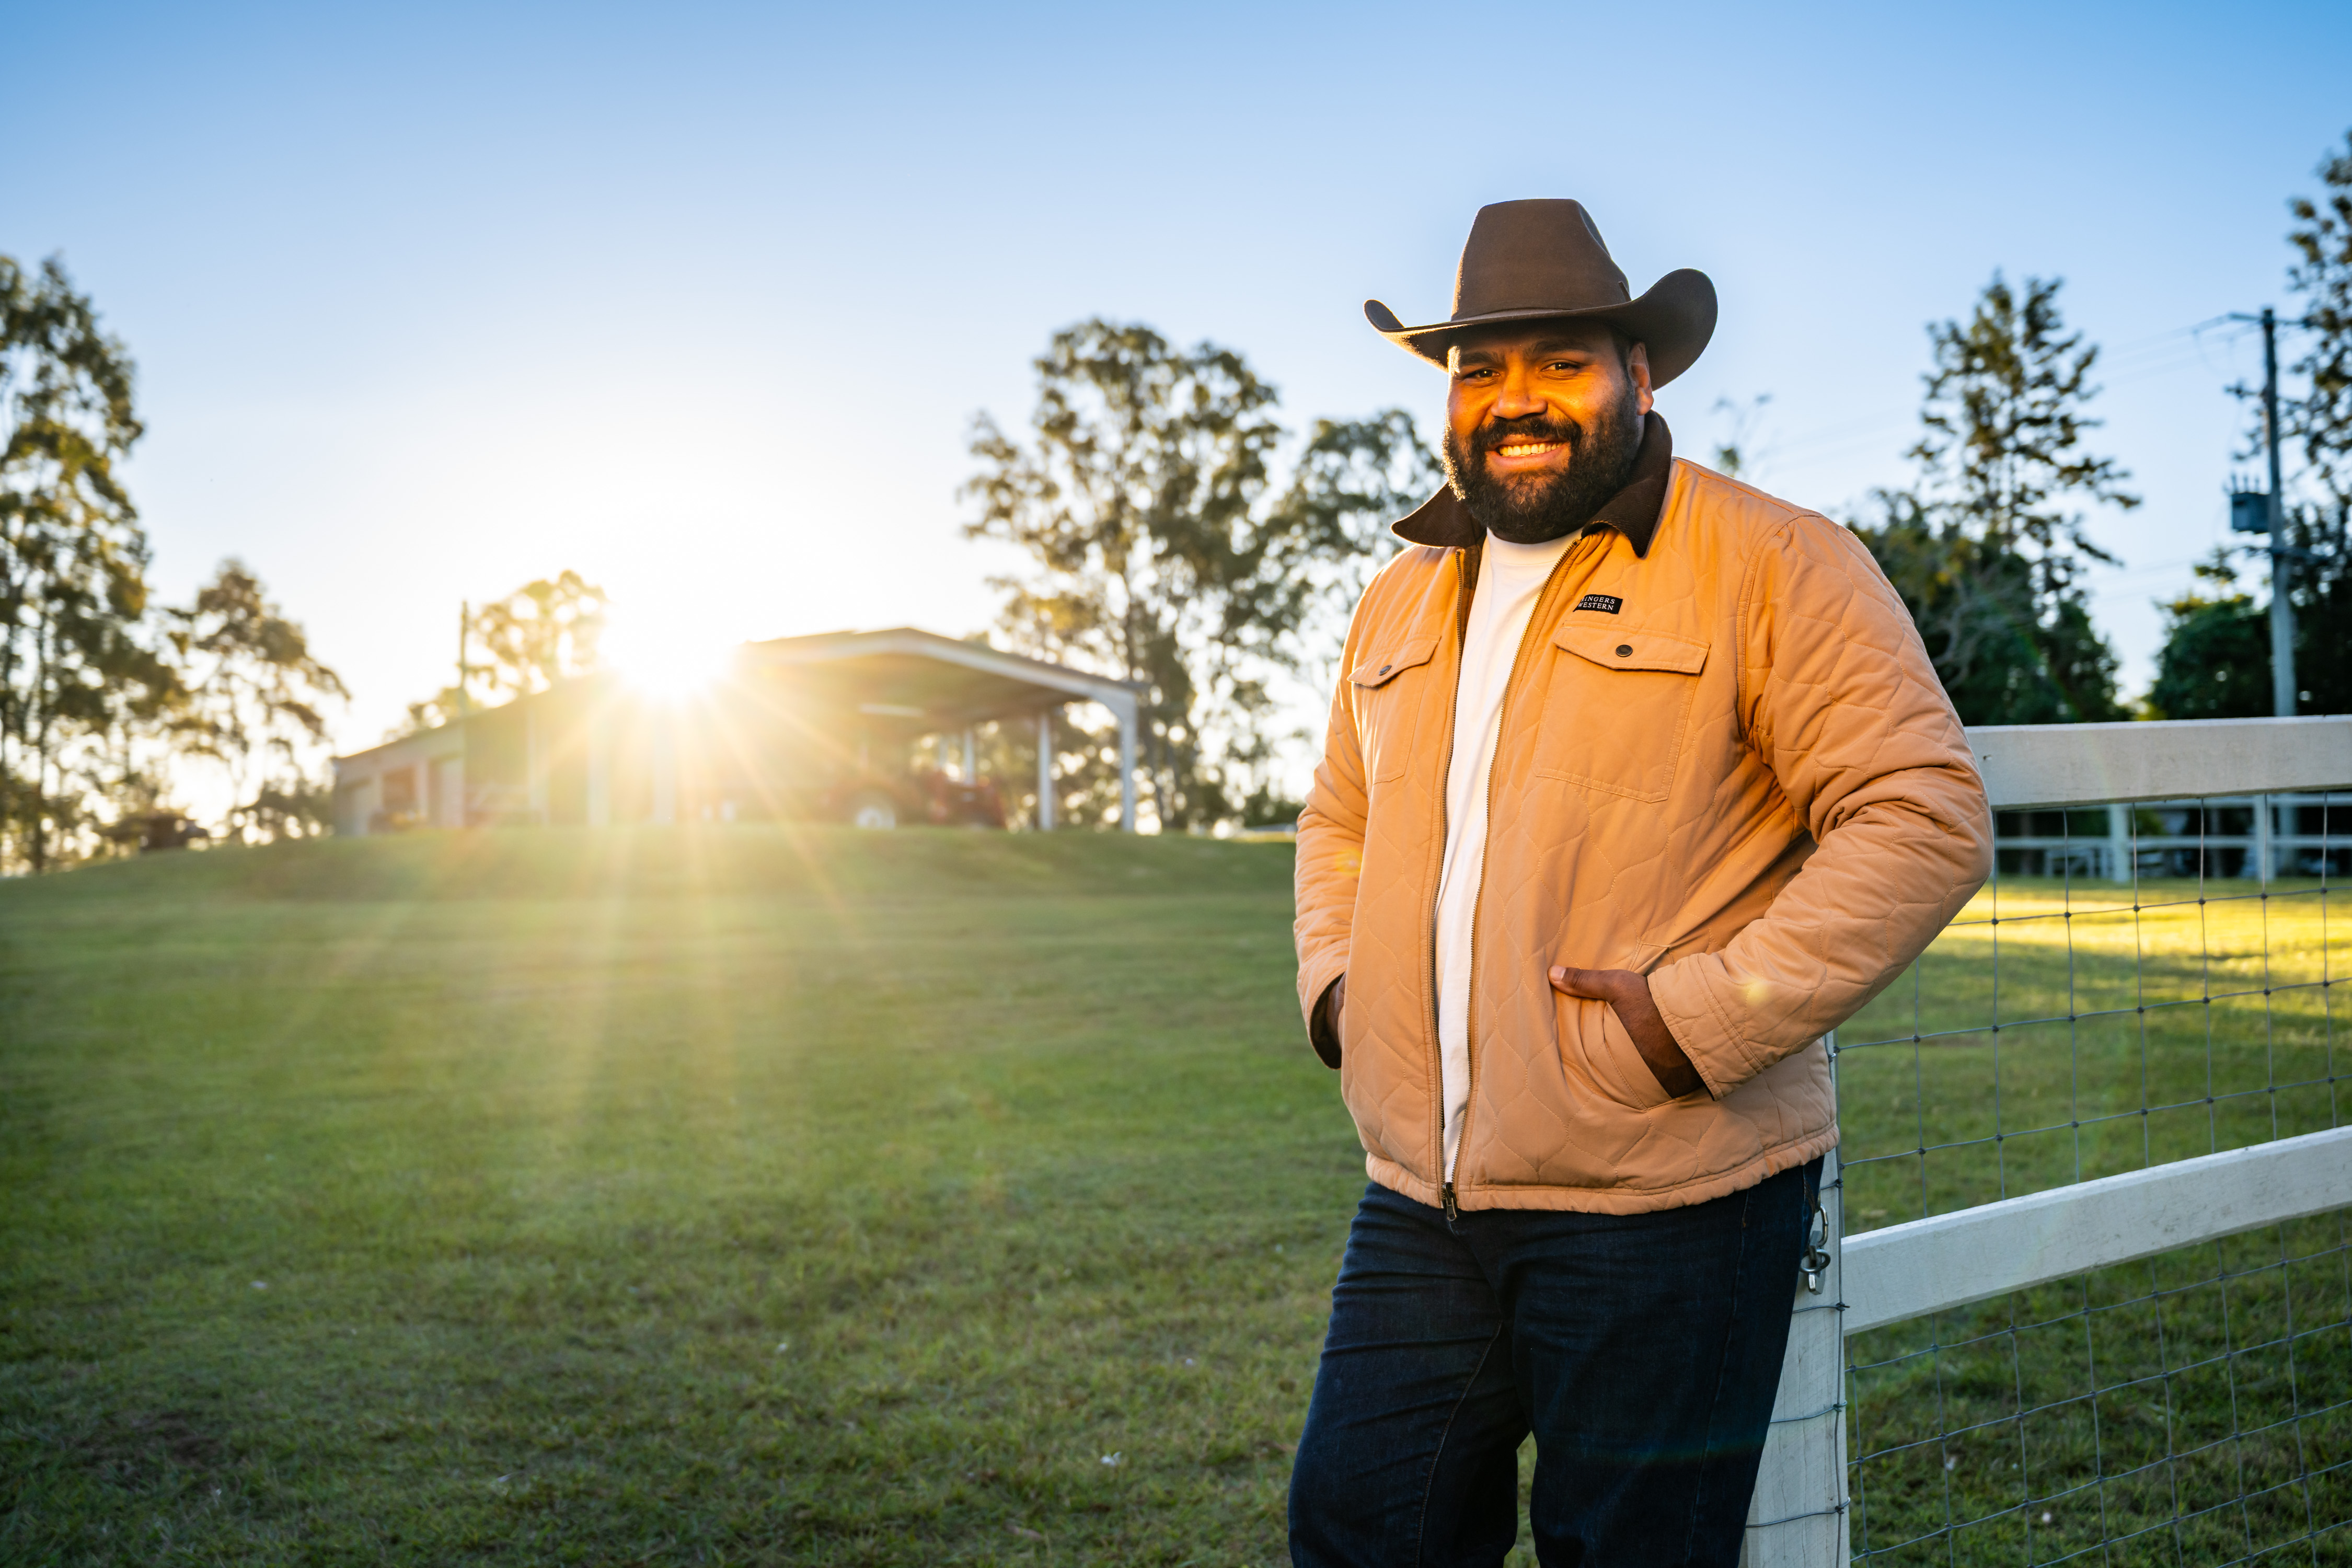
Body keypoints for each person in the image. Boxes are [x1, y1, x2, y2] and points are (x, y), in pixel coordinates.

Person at [1287, 199, 1992, 1566]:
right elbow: (1338, 818)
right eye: (1478, 369)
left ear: (1637, 373)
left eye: (1558, 360)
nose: (1516, 401)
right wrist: (1335, 988)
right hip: (1419, 1197)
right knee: (1354, 1530)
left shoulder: (1774, 560)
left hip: (1665, 1197)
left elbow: (1919, 814)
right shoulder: (1396, 599)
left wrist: (1695, 1022)